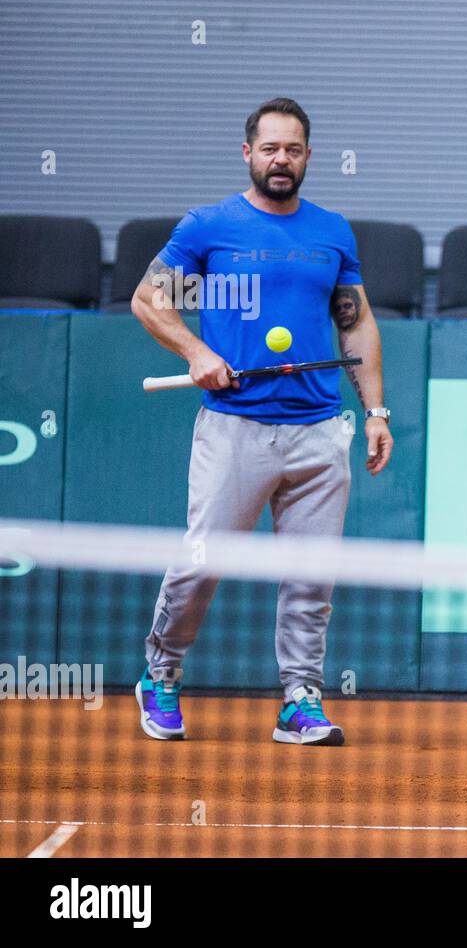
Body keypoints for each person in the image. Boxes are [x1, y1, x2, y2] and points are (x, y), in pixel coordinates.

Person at [129, 97, 394, 746]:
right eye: (270, 148)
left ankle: (299, 699)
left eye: (294, 149)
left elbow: (354, 323)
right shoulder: (209, 228)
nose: (282, 159)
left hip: (319, 430)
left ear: (308, 157)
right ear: (247, 153)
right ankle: (160, 675)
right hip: (234, 429)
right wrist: (198, 353)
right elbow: (149, 299)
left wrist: (377, 411)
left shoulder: (332, 233)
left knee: (311, 576)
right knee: (201, 564)